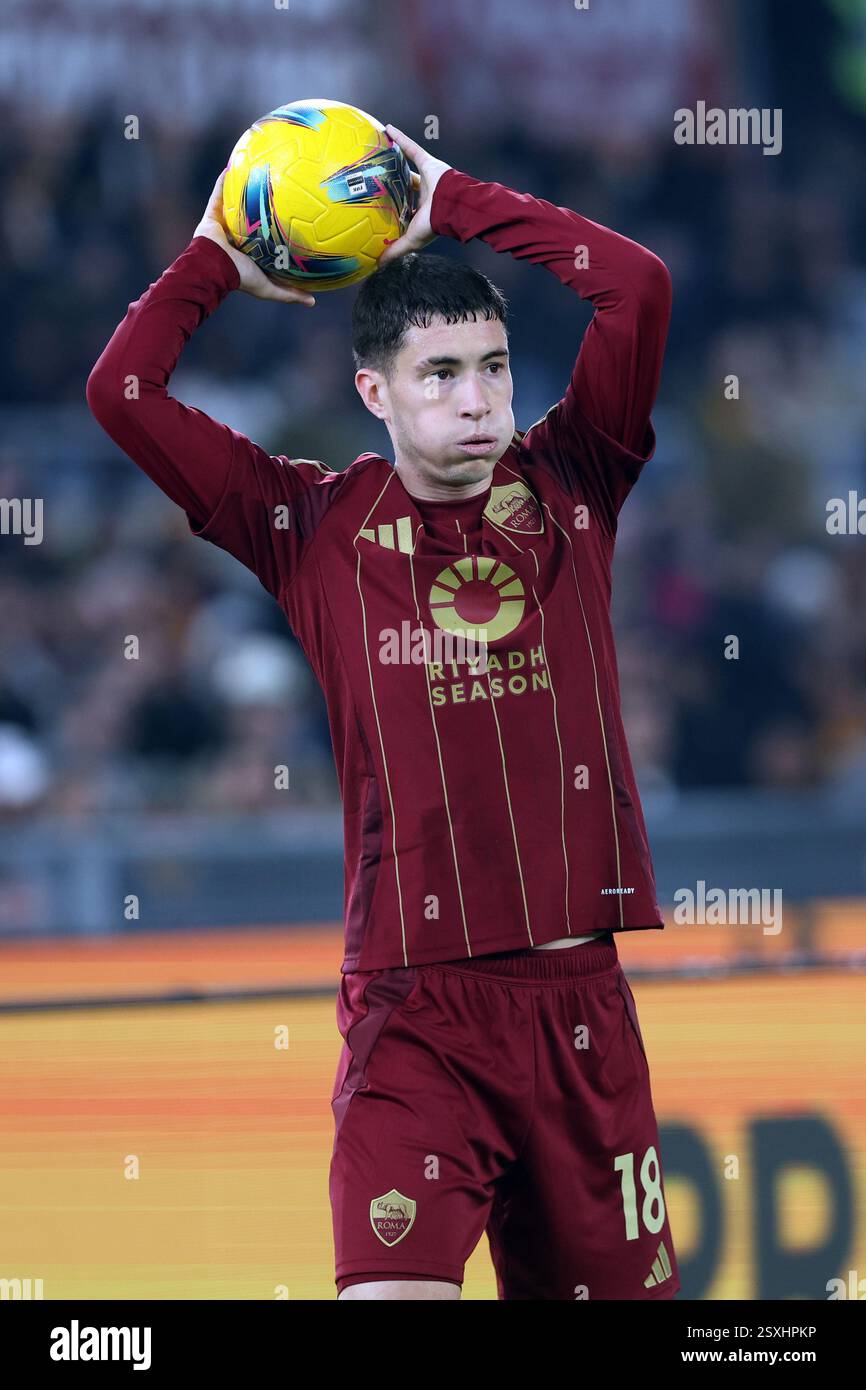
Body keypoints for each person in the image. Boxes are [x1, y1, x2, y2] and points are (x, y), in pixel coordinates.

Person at [86, 122, 679, 1301]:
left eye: (495, 366)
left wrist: (448, 195)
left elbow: (635, 285)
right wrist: (213, 253)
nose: (478, 399)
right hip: (417, 1013)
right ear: (373, 391)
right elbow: (123, 391)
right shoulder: (306, 528)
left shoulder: (575, 480)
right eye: (440, 374)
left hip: (580, 1011)